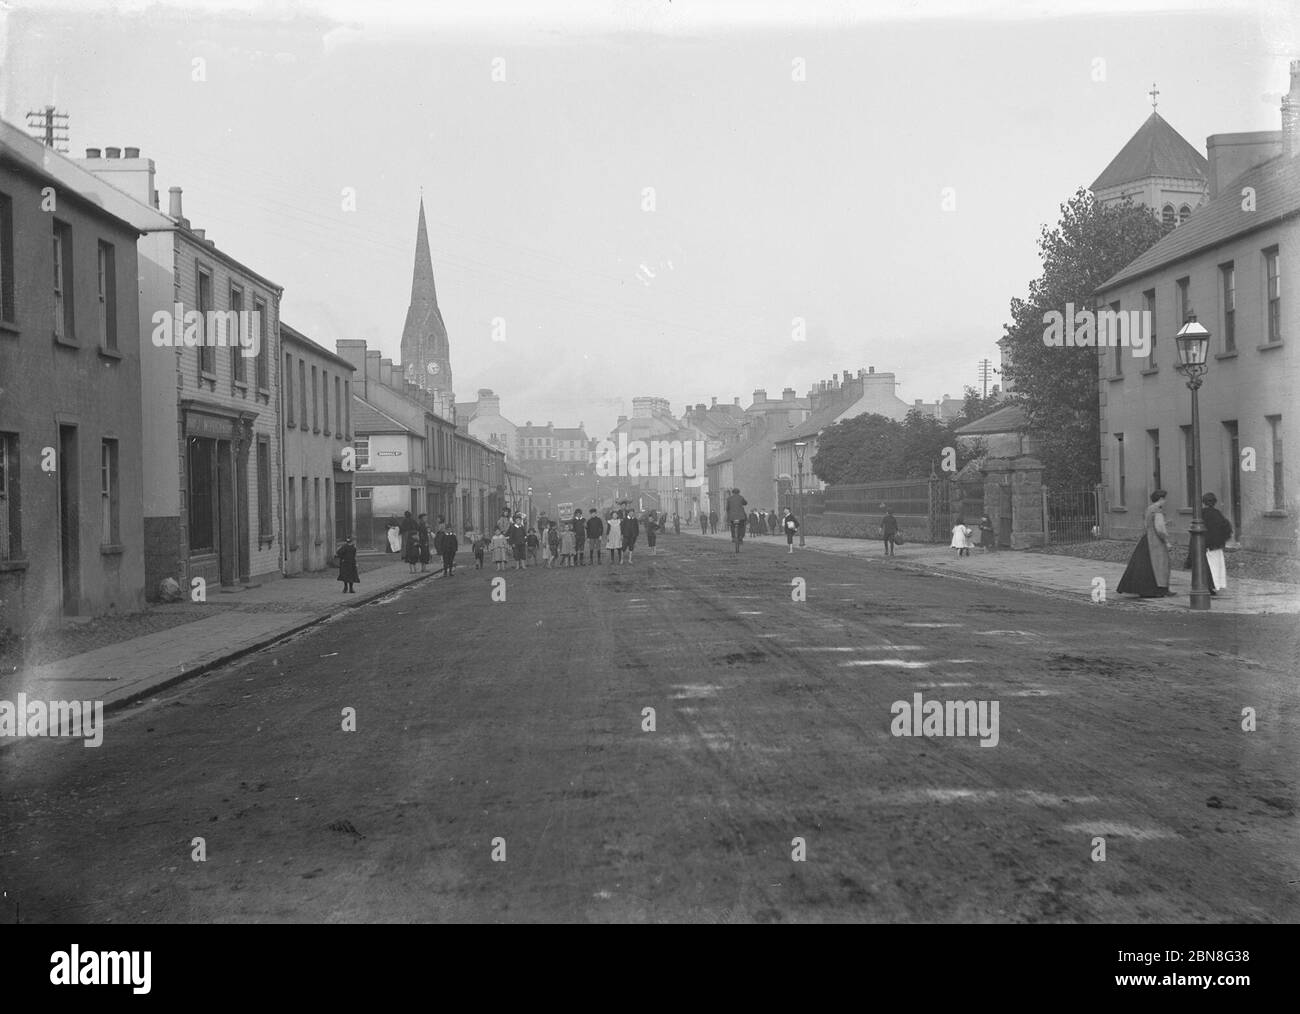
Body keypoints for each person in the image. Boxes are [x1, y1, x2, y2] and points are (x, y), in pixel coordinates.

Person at [1118, 490, 1173, 597]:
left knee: (1144, 564)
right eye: (1164, 499)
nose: (1165, 501)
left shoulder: (1149, 509)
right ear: (1161, 499)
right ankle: (1159, 589)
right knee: (1160, 565)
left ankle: (1145, 589)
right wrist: (1166, 541)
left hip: (1147, 539)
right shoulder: (1157, 510)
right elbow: (1159, 528)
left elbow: (1148, 524)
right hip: (1156, 541)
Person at [725, 488, 748, 553]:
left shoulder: (729, 498)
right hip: (740, 516)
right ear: (738, 492)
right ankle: (741, 537)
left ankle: (733, 537)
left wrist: (729, 513)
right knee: (742, 526)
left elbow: (727, 508)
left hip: (732, 516)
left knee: (732, 526)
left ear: (732, 492)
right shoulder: (741, 497)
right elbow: (745, 503)